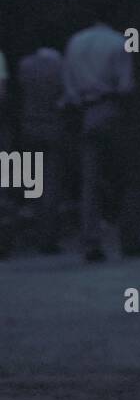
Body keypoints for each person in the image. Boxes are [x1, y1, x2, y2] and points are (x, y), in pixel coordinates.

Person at [63, 0, 140, 262]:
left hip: (85, 114)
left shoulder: (75, 42)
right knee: (130, 177)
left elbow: (69, 87)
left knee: (90, 181)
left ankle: (91, 242)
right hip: (113, 112)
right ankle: (130, 238)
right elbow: (126, 86)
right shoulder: (118, 43)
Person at [18, 37, 65, 252]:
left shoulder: (25, 64)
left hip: (29, 125)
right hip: (53, 126)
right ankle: (49, 236)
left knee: (33, 184)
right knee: (51, 184)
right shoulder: (59, 65)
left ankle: (37, 231)